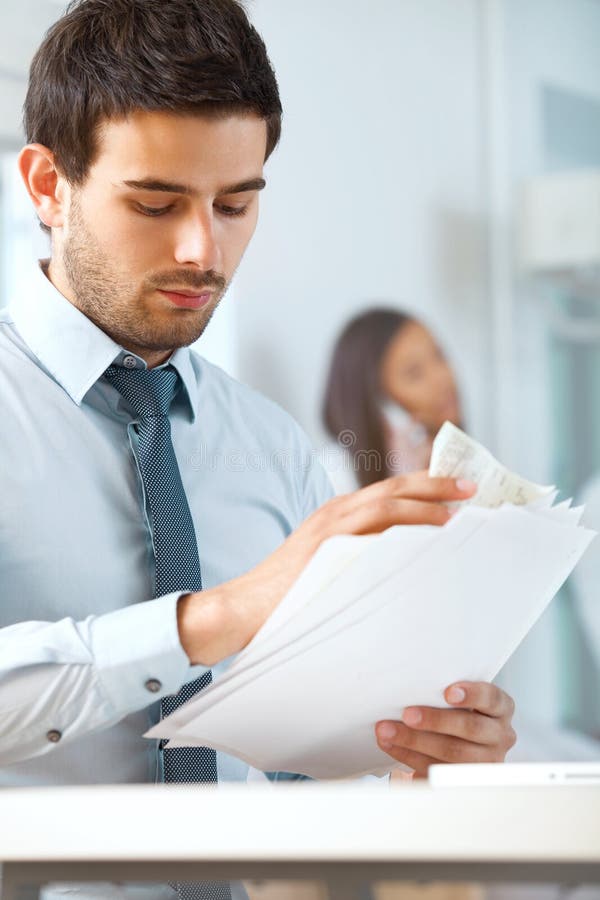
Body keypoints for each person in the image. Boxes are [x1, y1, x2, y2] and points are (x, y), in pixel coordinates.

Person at [0, 1, 517, 897]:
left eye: (235, 204)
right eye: (155, 203)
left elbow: (290, 778)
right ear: (48, 185)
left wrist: (414, 762)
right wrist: (217, 617)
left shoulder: (269, 446)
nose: (204, 250)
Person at [323, 308, 463, 490]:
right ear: (381, 406)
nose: (443, 377)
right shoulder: (333, 478)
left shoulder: (459, 466)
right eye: (415, 373)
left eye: (439, 356)